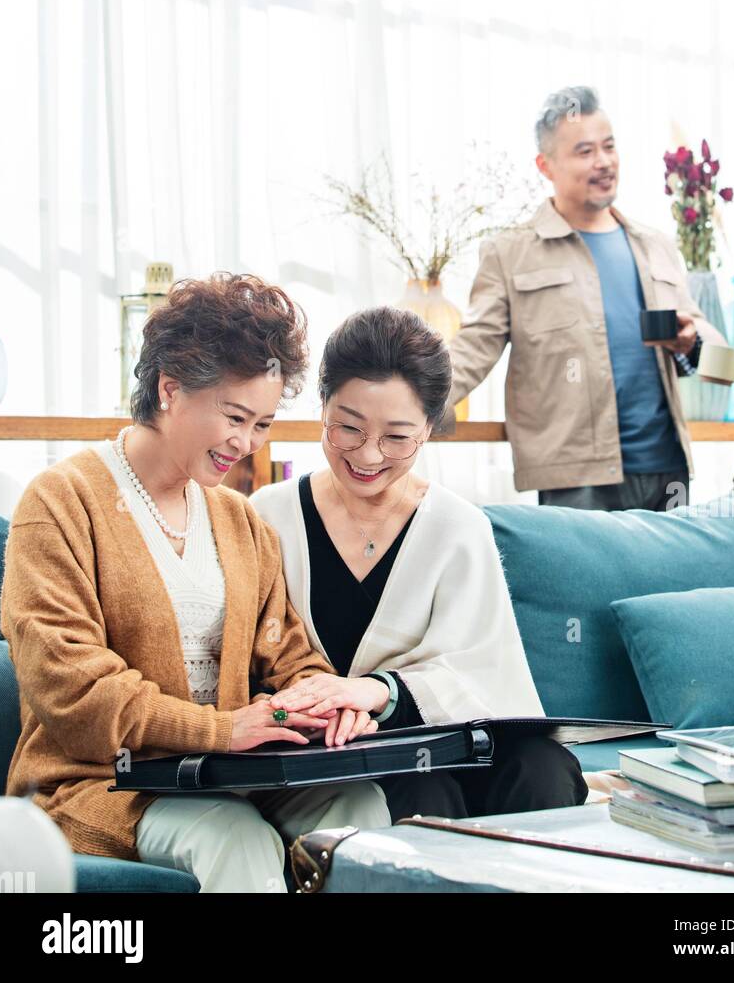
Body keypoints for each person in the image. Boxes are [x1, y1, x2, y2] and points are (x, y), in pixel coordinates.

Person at [0, 273, 390, 893]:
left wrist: (325, 701)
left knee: (358, 807)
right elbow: (68, 687)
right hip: (102, 780)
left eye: (261, 425)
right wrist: (218, 731)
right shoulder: (61, 502)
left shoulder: (241, 521)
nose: (245, 443)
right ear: (170, 388)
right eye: (234, 417)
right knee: (232, 836)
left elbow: (287, 655)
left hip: (228, 770)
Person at [251, 305, 589, 823]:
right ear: (323, 408)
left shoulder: (458, 527)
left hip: (446, 738)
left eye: (396, 437)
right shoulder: (267, 517)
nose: (367, 456)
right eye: (348, 428)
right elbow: (247, 659)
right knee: (419, 796)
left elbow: (488, 678)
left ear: (429, 428)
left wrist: (381, 692)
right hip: (327, 751)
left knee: (542, 769)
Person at [435, 85, 725, 511]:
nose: (604, 161)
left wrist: (692, 341)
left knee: (675, 581)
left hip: (667, 470)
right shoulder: (511, 253)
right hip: (575, 477)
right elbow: (475, 347)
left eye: (609, 147)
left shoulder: (655, 245)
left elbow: (712, 348)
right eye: (585, 151)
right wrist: (411, 403)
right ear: (545, 165)